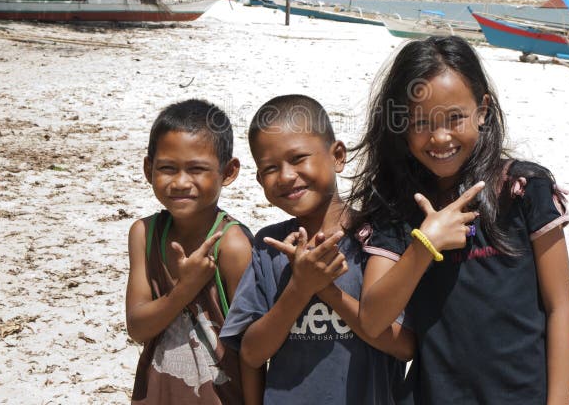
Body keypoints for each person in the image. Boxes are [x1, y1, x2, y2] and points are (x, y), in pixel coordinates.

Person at [348, 36, 569, 405]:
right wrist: (424, 245)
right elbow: (373, 319)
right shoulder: (399, 210)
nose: (439, 138)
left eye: (455, 118)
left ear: (482, 110)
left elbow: (560, 307)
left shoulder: (521, 191)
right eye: (420, 122)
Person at [220, 94, 414, 404]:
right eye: (270, 168)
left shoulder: (380, 240)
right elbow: (251, 353)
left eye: (298, 159)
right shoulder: (269, 248)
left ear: (337, 156)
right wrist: (299, 288)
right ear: (259, 180)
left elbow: (404, 346)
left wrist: (326, 290)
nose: (286, 176)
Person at [126, 98, 261, 404]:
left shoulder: (233, 245)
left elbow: (251, 351)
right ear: (148, 169)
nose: (180, 182)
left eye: (197, 169)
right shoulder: (144, 234)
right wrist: (184, 289)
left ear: (228, 172)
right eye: (167, 168)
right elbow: (137, 327)